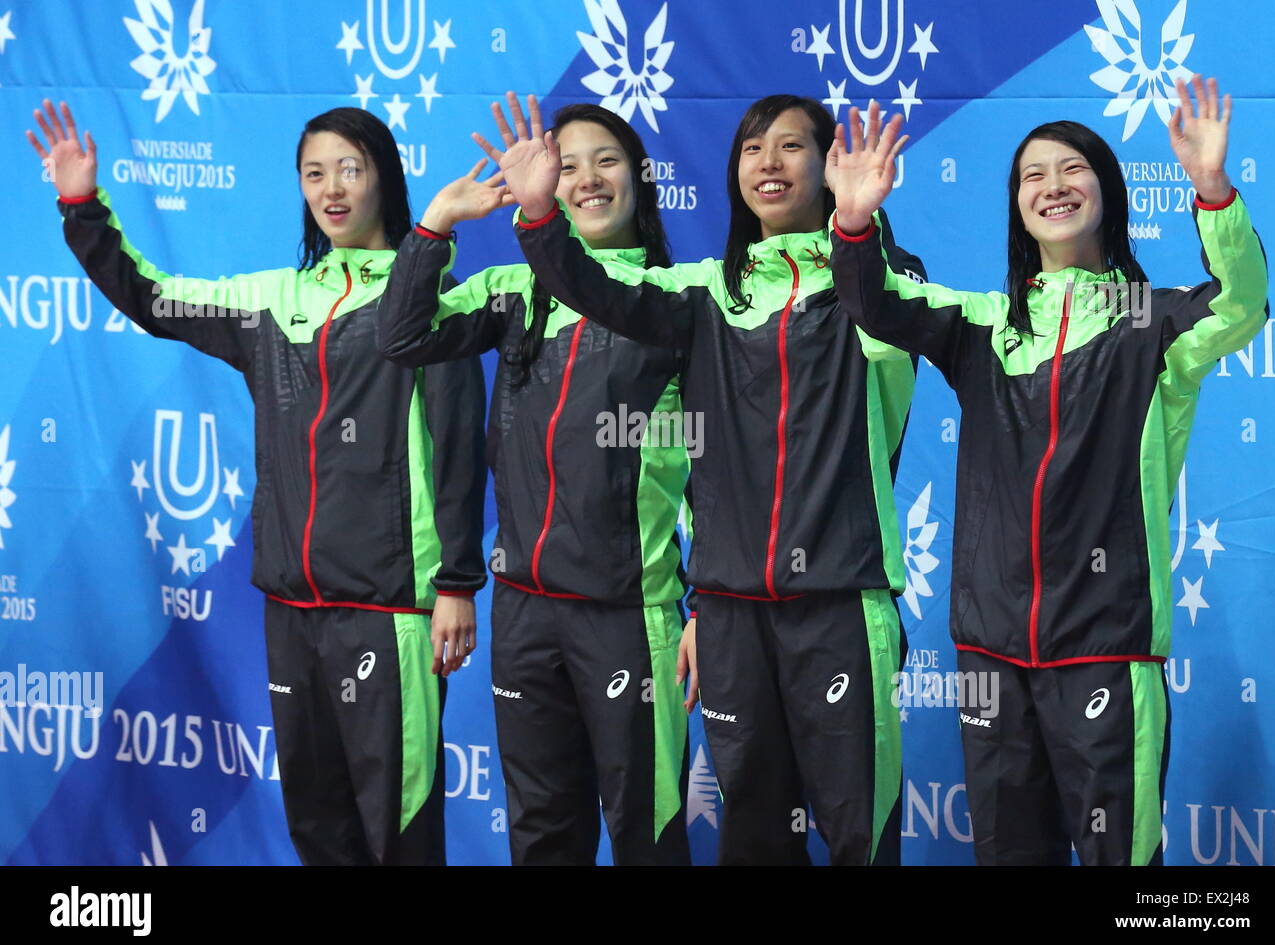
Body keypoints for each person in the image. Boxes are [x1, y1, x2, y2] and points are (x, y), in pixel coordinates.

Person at [26, 100, 488, 866]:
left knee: (401, 837)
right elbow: (153, 298)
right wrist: (83, 206)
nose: (331, 188)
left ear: (383, 177)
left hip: (388, 613)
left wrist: (457, 584)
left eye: (350, 169)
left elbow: (459, 449)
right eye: (314, 173)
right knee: (318, 829)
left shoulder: (426, 302)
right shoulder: (271, 300)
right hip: (292, 610)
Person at [826, 80, 1267, 865]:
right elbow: (876, 304)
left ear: (1108, 193)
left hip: (1105, 646)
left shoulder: (1154, 322)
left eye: (1072, 169)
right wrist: (855, 224)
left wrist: (1212, 193)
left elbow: (1241, 304)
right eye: (1033, 175)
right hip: (990, 652)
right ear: (1017, 208)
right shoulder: (982, 325)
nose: (1052, 185)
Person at [483, 91, 925, 865]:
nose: (769, 163)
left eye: (791, 146)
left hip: (839, 603)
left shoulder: (881, 279)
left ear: (830, 166)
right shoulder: (703, 293)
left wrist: (856, 226)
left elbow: (885, 307)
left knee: (861, 840)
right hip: (730, 614)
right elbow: (596, 288)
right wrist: (540, 218)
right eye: (753, 149)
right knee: (752, 837)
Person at [377, 103, 690, 866]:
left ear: (641, 179)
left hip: (628, 614)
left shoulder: (678, 299)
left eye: (606, 160)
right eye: (567, 164)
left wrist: (709, 603)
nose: (586, 179)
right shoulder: (513, 291)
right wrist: (436, 226)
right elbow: (402, 336)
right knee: (543, 835)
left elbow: (718, 472)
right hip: (523, 613)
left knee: (648, 839)